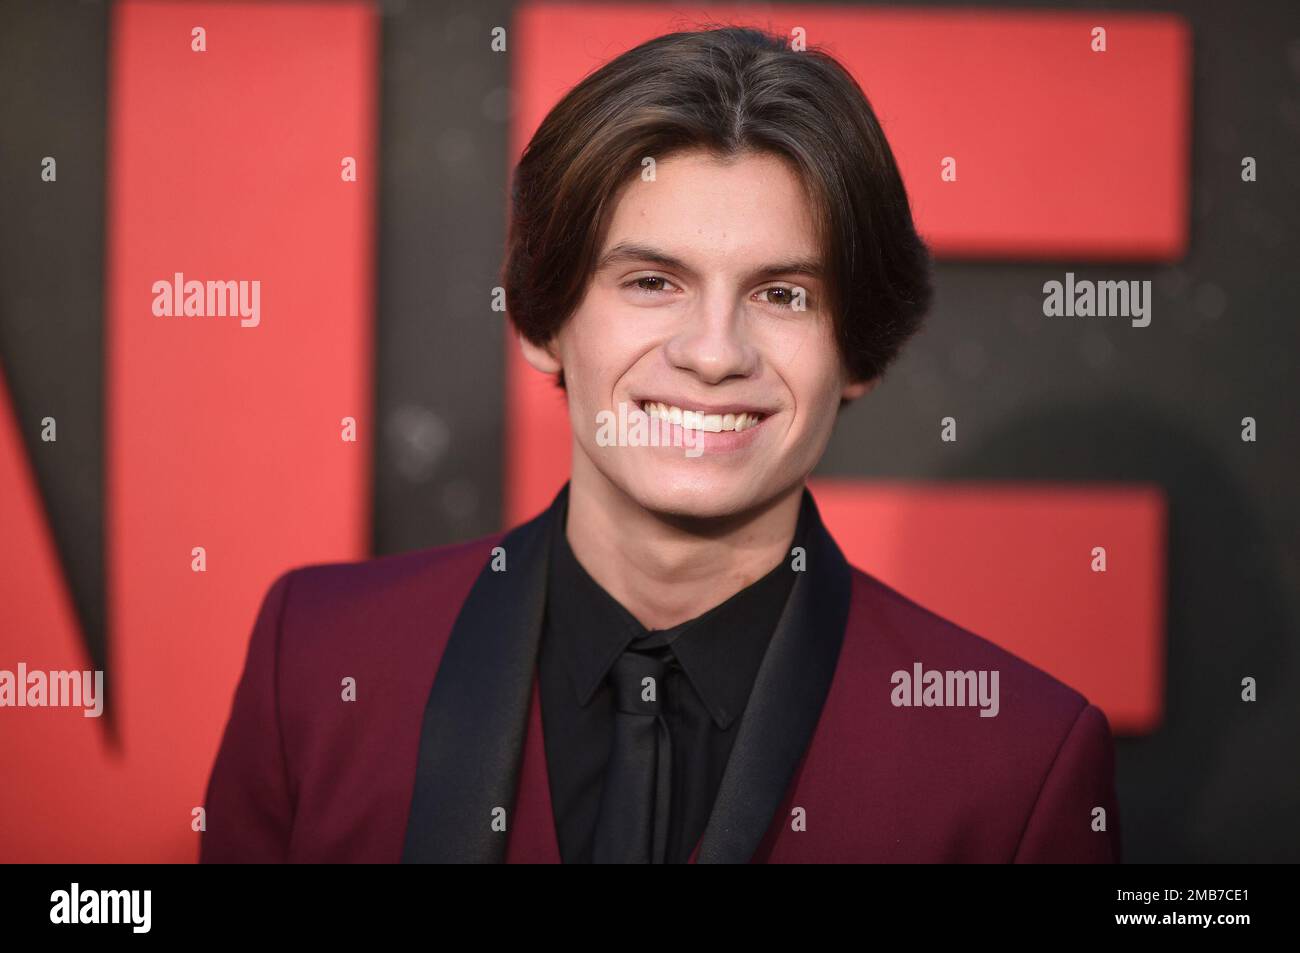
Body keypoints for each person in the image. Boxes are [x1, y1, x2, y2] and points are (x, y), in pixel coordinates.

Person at [201, 25, 1120, 863]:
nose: (714, 353)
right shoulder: (320, 664)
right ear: (540, 318)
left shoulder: (1016, 763)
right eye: (651, 281)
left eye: (782, 294)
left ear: (859, 353)